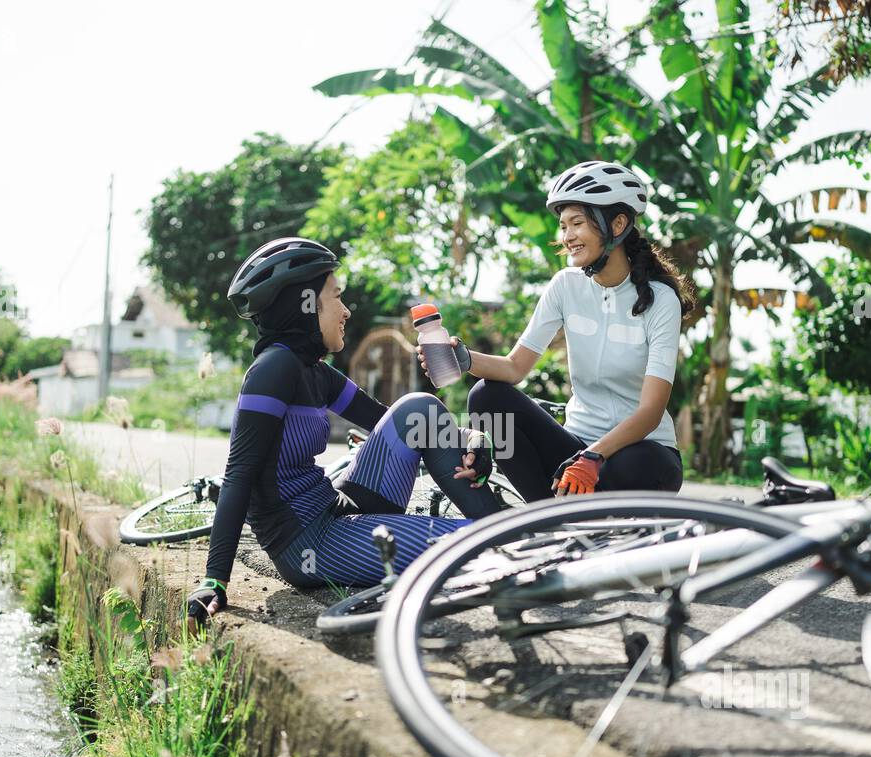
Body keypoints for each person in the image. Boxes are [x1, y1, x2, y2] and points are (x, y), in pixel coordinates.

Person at [186, 237, 500, 626]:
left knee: (419, 408)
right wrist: (215, 579)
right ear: (305, 303)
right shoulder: (272, 371)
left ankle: (506, 527)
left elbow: (398, 423)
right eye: (336, 297)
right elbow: (238, 476)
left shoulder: (314, 371)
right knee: (475, 545)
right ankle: (510, 537)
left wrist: (469, 437)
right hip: (309, 541)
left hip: (339, 510)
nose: (347, 311)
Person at [421, 160, 697, 503]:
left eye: (577, 223)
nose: (567, 237)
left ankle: (578, 508)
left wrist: (593, 457)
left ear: (618, 223)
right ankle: (545, 518)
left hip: (642, 452)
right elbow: (514, 368)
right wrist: (461, 358)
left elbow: (651, 411)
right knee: (486, 396)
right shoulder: (565, 286)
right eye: (563, 226)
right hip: (574, 447)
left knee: (634, 464)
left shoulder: (661, 301)